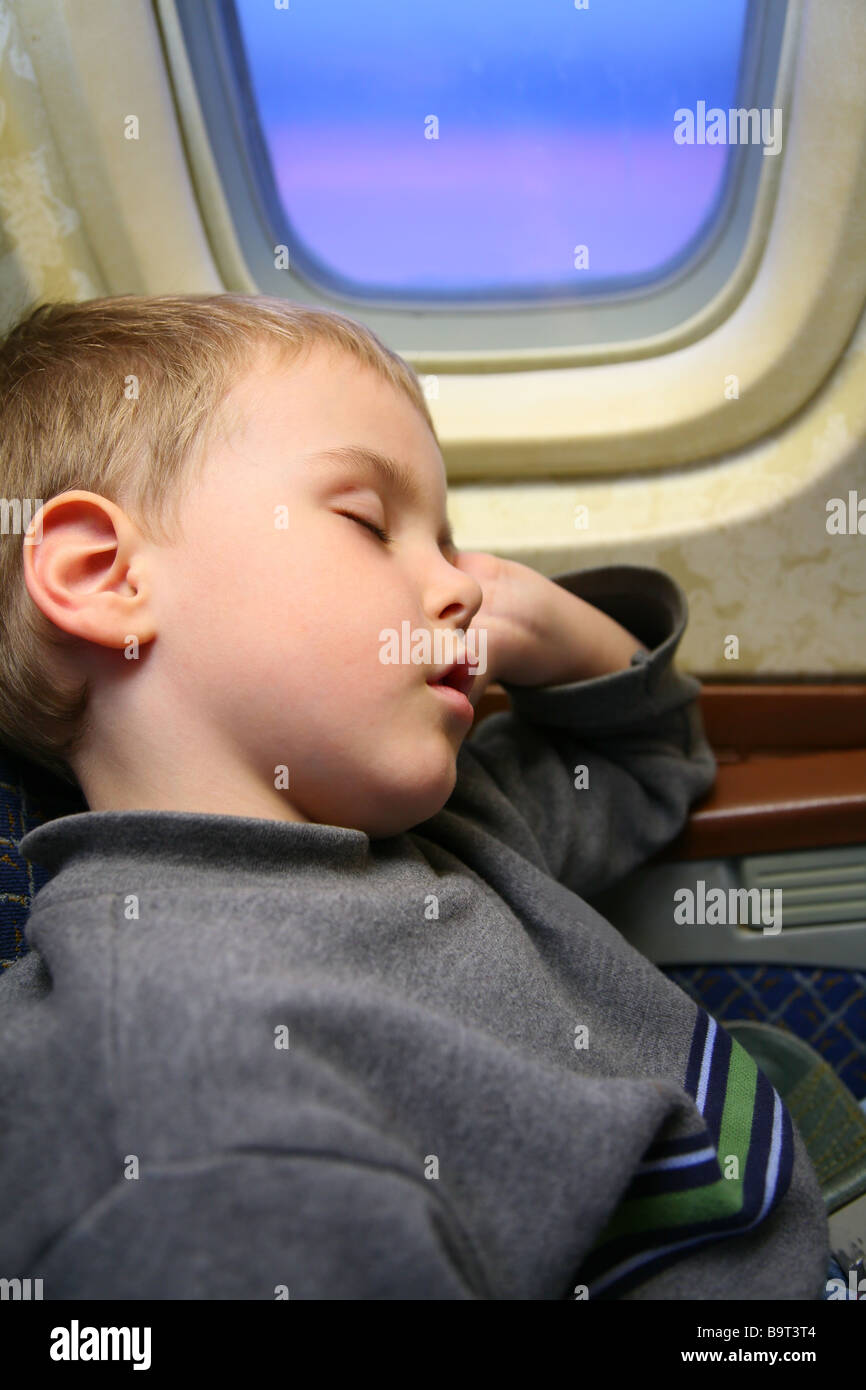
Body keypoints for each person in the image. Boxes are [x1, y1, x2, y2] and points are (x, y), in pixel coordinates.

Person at [0, 294, 830, 1298]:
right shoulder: (184, 1116)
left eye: (447, 545)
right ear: (104, 575)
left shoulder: (447, 826)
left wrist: (539, 617)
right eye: (366, 520)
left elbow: (649, 761)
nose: (460, 585)